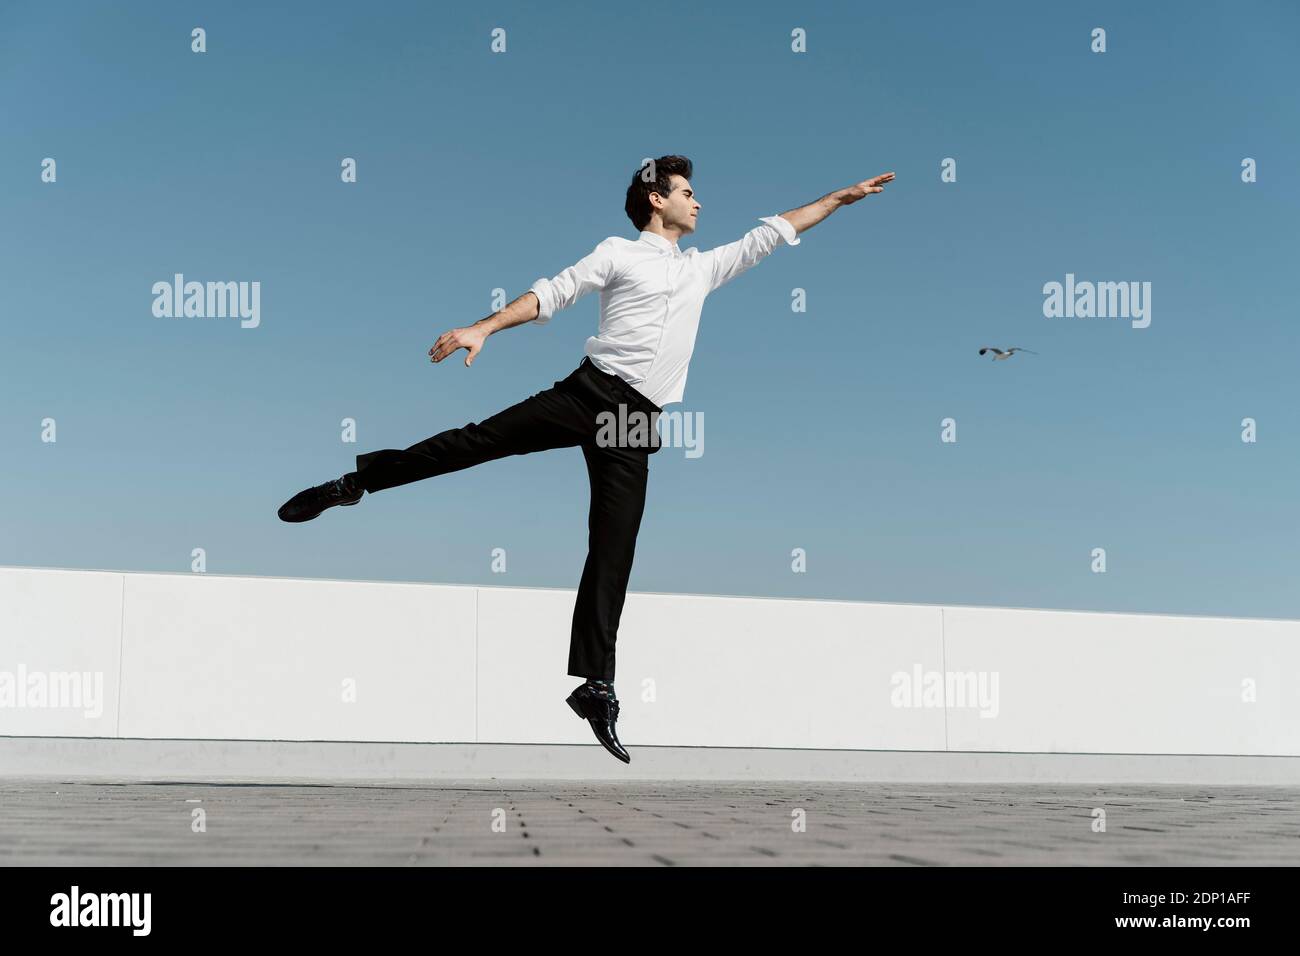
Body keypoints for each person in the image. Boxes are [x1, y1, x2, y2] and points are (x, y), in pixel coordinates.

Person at [278, 155, 894, 762]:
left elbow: (772, 233)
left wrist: (838, 199)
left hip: (635, 420)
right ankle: (355, 482)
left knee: (614, 548)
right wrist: (484, 328)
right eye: (687, 191)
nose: (698, 201)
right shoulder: (618, 253)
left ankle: (596, 686)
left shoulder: (704, 268)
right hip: (590, 392)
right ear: (657, 199)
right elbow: (554, 293)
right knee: (475, 442)